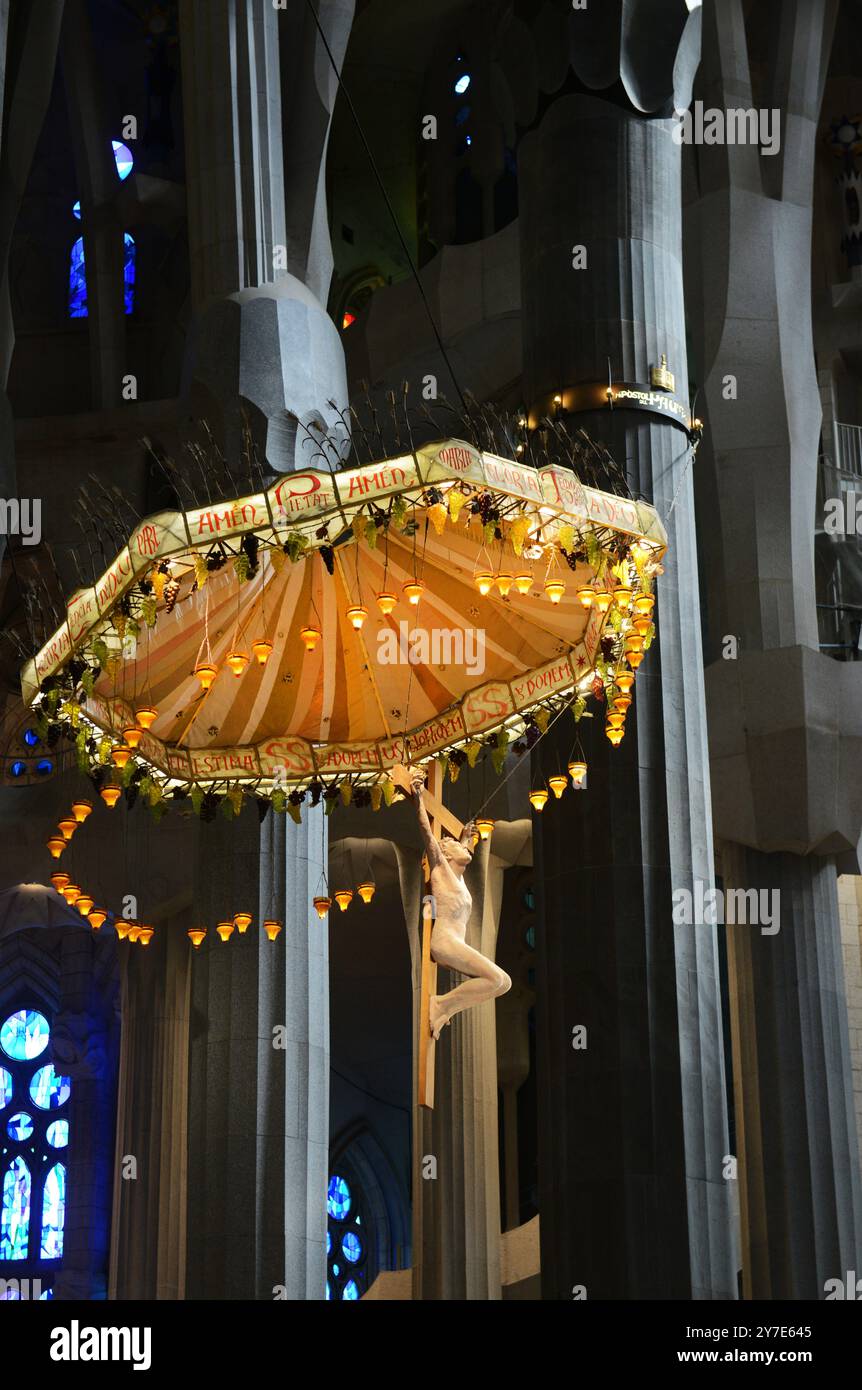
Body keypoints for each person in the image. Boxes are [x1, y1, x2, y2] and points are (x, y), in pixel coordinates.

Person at [410, 769, 512, 1040]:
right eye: (458, 846)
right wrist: (418, 796)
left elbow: (462, 856)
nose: (466, 850)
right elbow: (425, 830)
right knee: (495, 979)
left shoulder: (457, 878)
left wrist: (464, 840)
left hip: (457, 943)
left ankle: (446, 1009)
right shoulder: (440, 868)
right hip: (444, 942)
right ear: (445, 852)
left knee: (504, 983)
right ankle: (442, 1005)